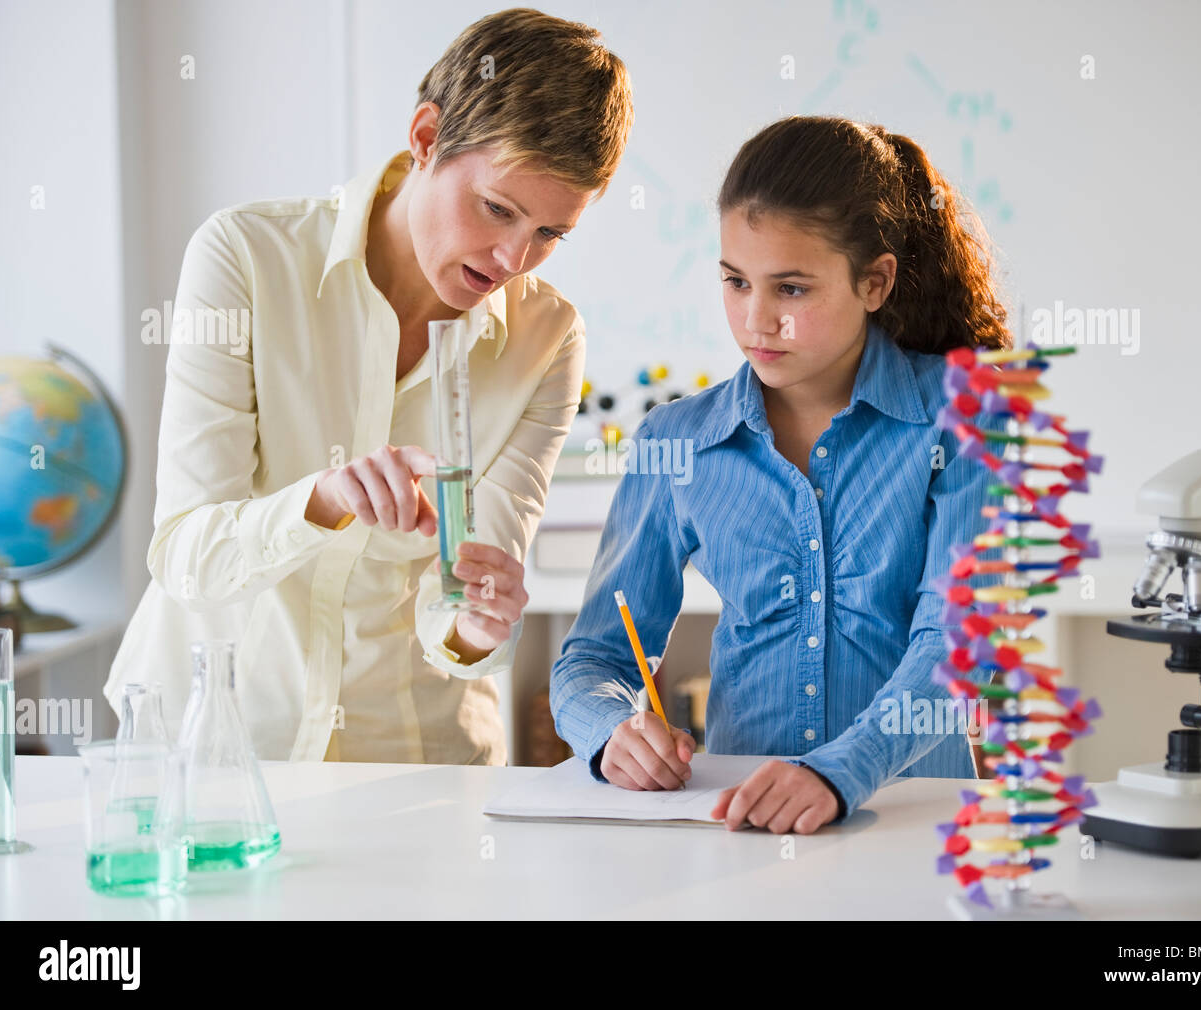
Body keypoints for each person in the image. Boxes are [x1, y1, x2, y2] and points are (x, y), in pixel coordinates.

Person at [105, 9, 633, 764]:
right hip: (214, 751)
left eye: (551, 234)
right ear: (426, 138)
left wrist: (476, 623)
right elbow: (188, 554)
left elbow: (464, 595)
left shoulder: (546, 339)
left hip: (414, 767)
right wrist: (320, 502)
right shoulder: (246, 259)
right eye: (497, 209)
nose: (516, 257)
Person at [550, 116, 1012, 834]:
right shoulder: (677, 442)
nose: (755, 320)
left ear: (875, 282)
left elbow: (956, 646)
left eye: (791, 289)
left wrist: (839, 772)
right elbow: (594, 656)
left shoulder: (962, 415)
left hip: (917, 824)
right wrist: (612, 733)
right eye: (735, 282)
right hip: (747, 825)